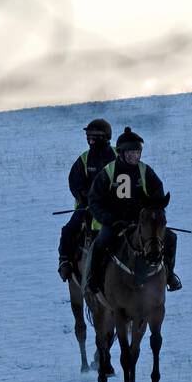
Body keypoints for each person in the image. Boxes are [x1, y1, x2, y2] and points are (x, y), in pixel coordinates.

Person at [85, 126, 182, 298]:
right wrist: (109, 219)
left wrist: (150, 218)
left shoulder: (145, 171)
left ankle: (168, 275)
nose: (134, 156)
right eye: (130, 153)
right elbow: (94, 200)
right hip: (115, 223)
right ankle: (94, 281)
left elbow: (157, 198)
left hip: (141, 224)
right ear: (121, 153)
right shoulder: (109, 171)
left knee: (171, 238)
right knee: (100, 243)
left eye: (137, 152)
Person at [58, 119, 115, 282]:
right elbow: (75, 183)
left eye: (94, 136)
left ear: (105, 137)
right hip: (86, 209)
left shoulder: (118, 156)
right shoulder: (84, 159)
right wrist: (86, 199)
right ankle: (64, 261)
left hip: (115, 209)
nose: (90, 139)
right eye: (88, 136)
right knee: (68, 230)